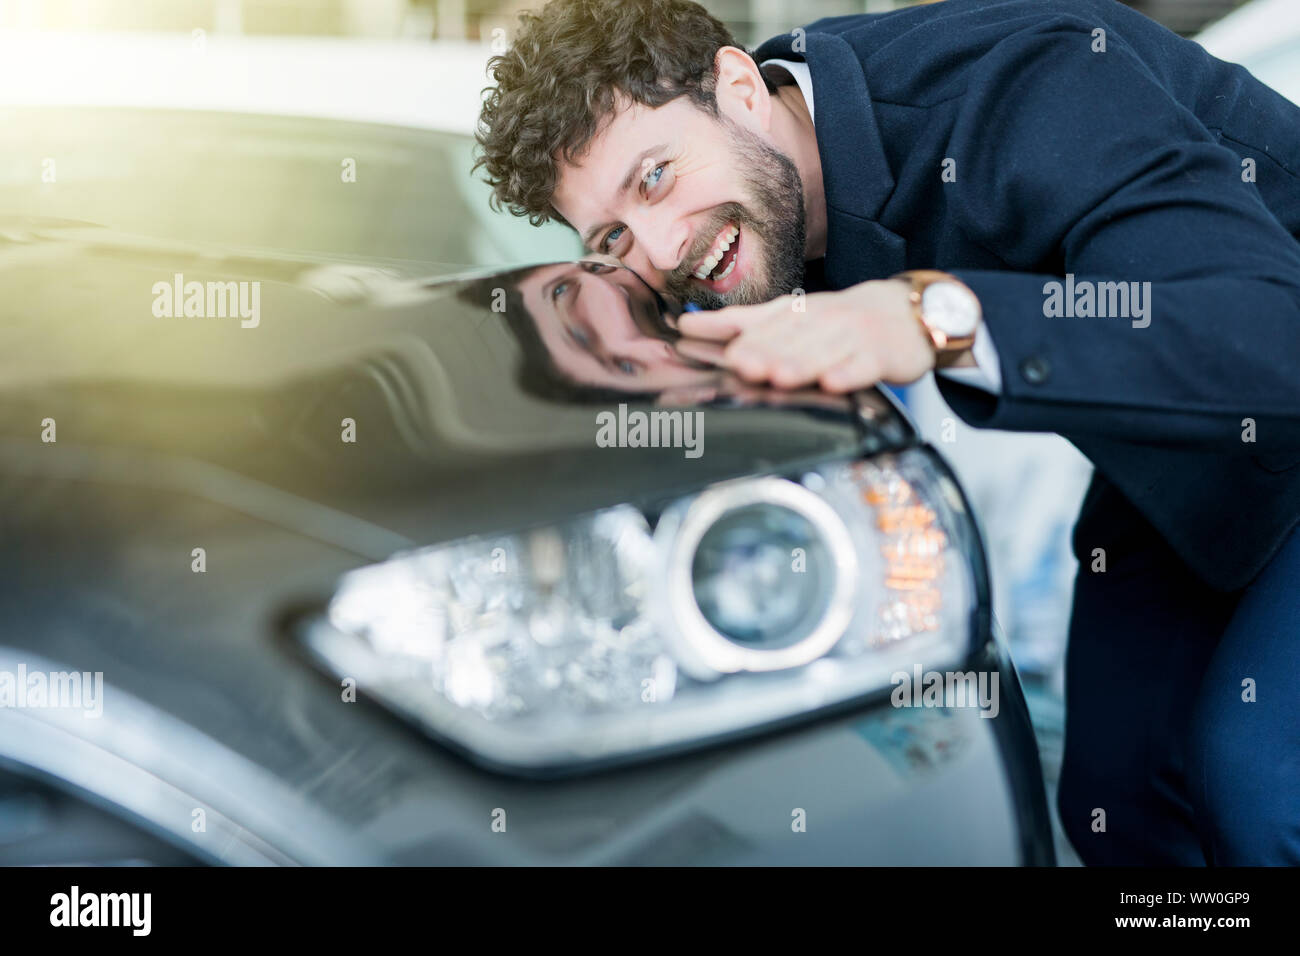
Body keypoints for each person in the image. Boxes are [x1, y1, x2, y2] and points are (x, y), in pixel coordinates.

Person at [473, 0, 1300, 864]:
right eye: (612, 235)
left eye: (655, 178)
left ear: (740, 87)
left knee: (1260, 780)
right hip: (1193, 461)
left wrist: (931, 318)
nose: (663, 247)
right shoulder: (752, 191)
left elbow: (1272, 331)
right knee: (1120, 794)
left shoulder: (1028, 85)